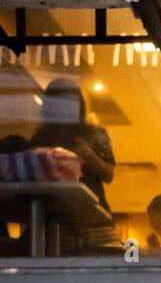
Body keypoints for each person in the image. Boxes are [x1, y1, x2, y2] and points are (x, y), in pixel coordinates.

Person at [29, 77, 118, 251]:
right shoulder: (41, 137)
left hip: (93, 219)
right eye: (60, 102)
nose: (65, 106)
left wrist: (88, 155)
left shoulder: (93, 133)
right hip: (57, 222)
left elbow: (109, 174)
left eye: (70, 101)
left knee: (100, 271)